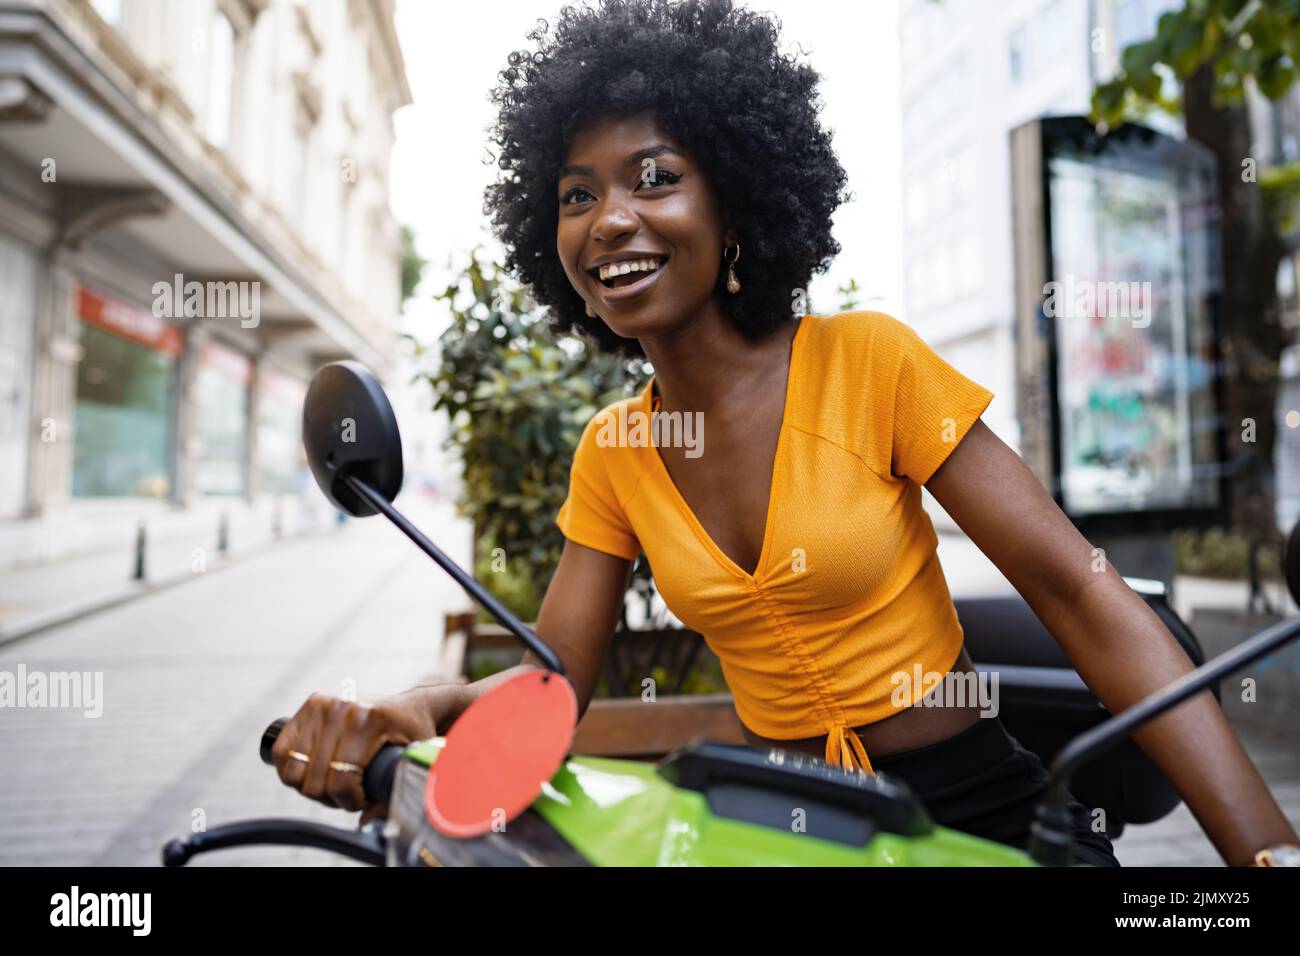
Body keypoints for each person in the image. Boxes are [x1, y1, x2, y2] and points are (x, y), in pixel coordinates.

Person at [272, 0, 1298, 867]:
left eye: (654, 177)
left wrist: (1263, 852)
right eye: (576, 195)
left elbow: (1077, 588)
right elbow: (554, 682)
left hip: (976, 811)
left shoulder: (868, 363)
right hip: (785, 825)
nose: (609, 219)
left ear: (735, 199)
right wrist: (416, 704)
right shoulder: (614, 453)